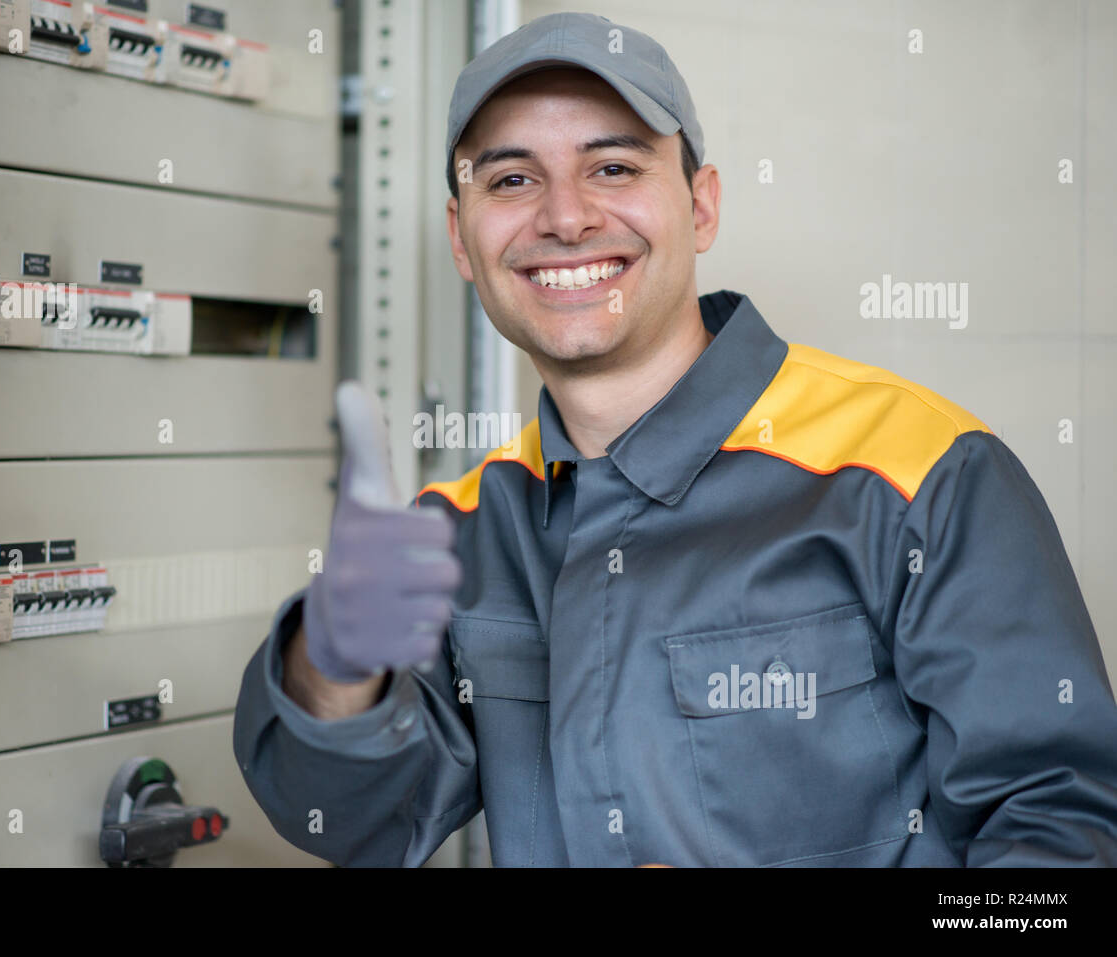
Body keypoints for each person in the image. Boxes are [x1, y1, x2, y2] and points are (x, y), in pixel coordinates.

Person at [233, 12, 1117, 866]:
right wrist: (334, 665)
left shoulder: (921, 472)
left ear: (700, 206)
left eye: (613, 167)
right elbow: (356, 824)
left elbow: (1065, 841)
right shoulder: (462, 529)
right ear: (464, 240)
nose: (566, 218)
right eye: (510, 180)